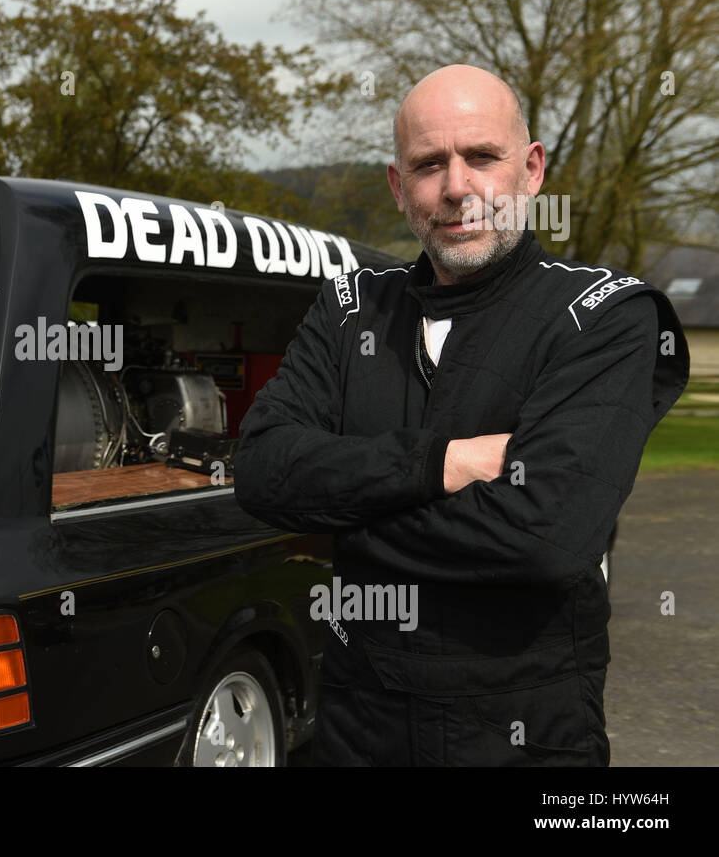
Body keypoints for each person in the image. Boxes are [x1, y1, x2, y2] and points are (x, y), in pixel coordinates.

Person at [234, 64, 690, 766]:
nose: (456, 186)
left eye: (482, 156)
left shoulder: (603, 315)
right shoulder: (350, 308)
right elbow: (263, 469)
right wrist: (441, 463)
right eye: (428, 164)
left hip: (526, 737)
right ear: (397, 186)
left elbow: (546, 536)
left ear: (531, 169)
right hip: (358, 728)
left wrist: (338, 522)